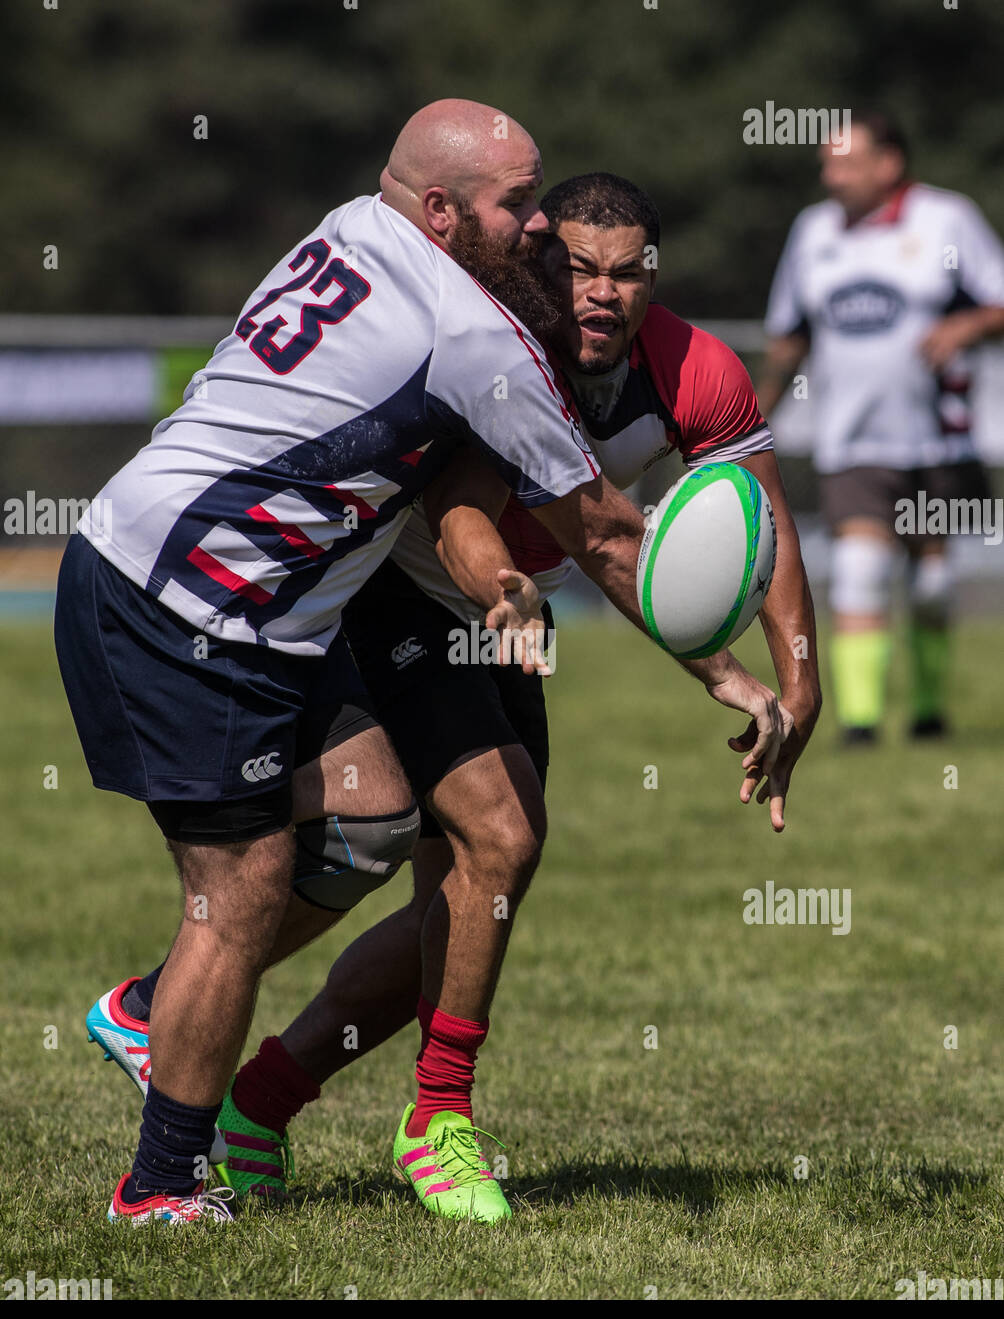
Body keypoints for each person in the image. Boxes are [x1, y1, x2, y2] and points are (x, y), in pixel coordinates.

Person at [73, 108, 786, 1226]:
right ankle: (159, 1182)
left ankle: (177, 1022)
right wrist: (725, 673)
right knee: (247, 886)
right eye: (518, 204)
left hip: (258, 602)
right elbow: (602, 533)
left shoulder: (354, 226)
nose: (539, 222)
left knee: (374, 815)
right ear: (443, 211)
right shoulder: (475, 337)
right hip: (189, 597)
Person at [758, 112, 1004, 743]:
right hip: (852, 446)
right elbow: (788, 339)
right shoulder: (812, 232)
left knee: (931, 583)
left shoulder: (947, 220)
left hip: (937, 442)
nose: (828, 174)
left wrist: (965, 327)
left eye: (843, 161)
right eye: (825, 162)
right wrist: (750, 420)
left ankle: (927, 715)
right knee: (860, 570)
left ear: (888, 164)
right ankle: (860, 726)